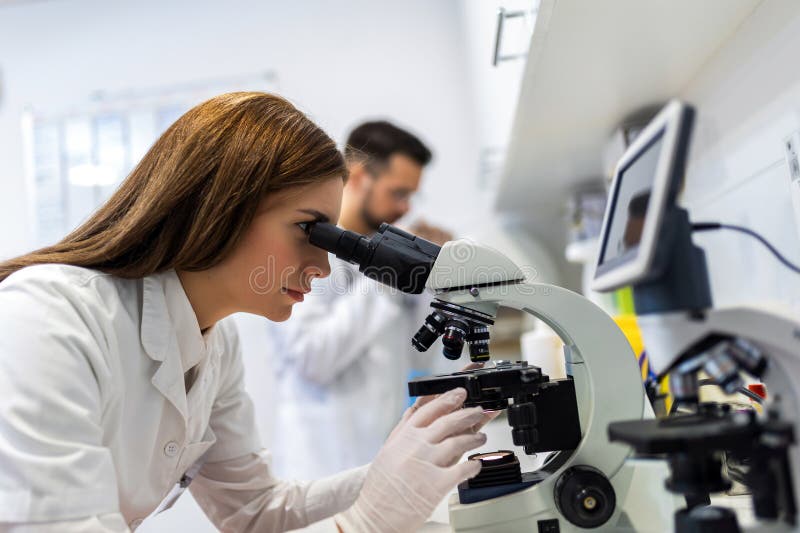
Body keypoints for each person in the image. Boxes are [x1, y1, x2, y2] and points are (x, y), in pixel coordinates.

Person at [0, 93, 490, 532]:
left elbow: (253, 514)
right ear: (220, 207)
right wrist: (362, 524)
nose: (321, 266)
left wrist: (392, 474)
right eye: (307, 229)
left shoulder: (215, 340)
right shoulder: (48, 320)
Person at [268, 121, 455, 480]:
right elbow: (313, 358)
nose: (405, 208)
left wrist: (436, 278)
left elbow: (419, 355)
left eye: (411, 197)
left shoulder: (384, 254)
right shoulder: (303, 250)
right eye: (398, 193)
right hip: (321, 469)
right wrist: (389, 271)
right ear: (356, 177)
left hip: (379, 462)